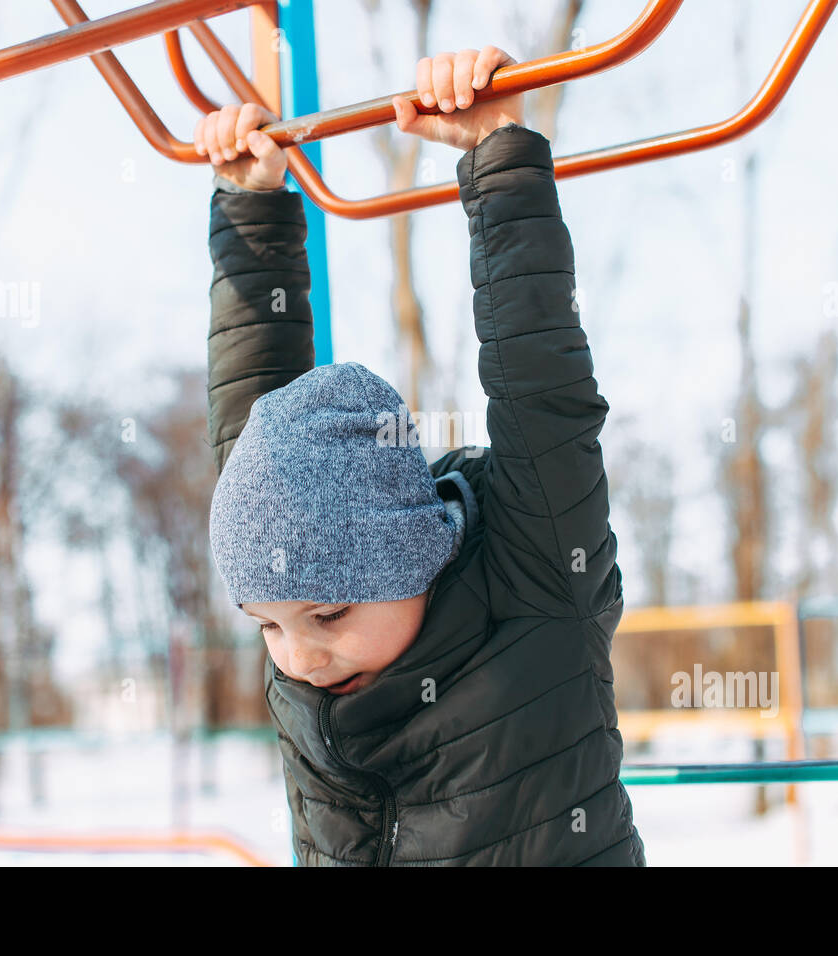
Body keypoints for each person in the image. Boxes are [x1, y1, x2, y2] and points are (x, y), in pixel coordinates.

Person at [200, 46, 644, 866]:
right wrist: (251, 204)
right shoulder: (304, 663)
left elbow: (544, 391)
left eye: (329, 614)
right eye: (266, 625)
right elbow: (253, 438)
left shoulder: (533, 580)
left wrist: (497, 153)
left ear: (412, 555)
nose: (299, 657)